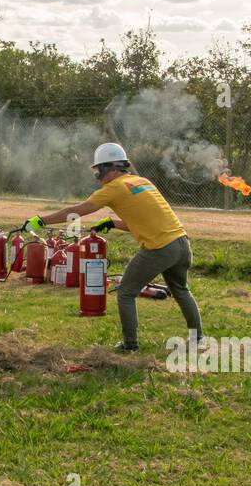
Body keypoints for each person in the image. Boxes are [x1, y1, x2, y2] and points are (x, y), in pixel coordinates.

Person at [22, 143, 203, 351]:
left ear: (109, 168)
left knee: (126, 292)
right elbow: (143, 220)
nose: (97, 175)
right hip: (181, 243)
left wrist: (41, 221)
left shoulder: (113, 188)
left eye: (98, 170)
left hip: (159, 247)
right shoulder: (141, 181)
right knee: (181, 290)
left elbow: (77, 211)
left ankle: (130, 345)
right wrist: (113, 223)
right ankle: (198, 339)